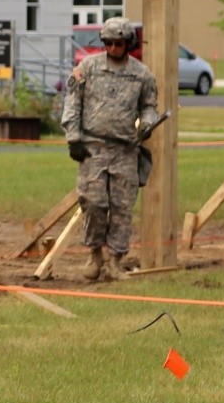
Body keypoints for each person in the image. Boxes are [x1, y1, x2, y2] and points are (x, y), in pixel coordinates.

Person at [60, 16, 158, 281]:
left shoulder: (142, 74)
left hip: (125, 150)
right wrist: (73, 138)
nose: (114, 48)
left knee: (122, 208)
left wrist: (147, 123)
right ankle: (95, 254)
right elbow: (73, 102)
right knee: (93, 203)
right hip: (93, 147)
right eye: (109, 43)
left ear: (128, 44)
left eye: (119, 43)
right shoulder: (87, 68)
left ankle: (115, 261)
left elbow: (149, 106)